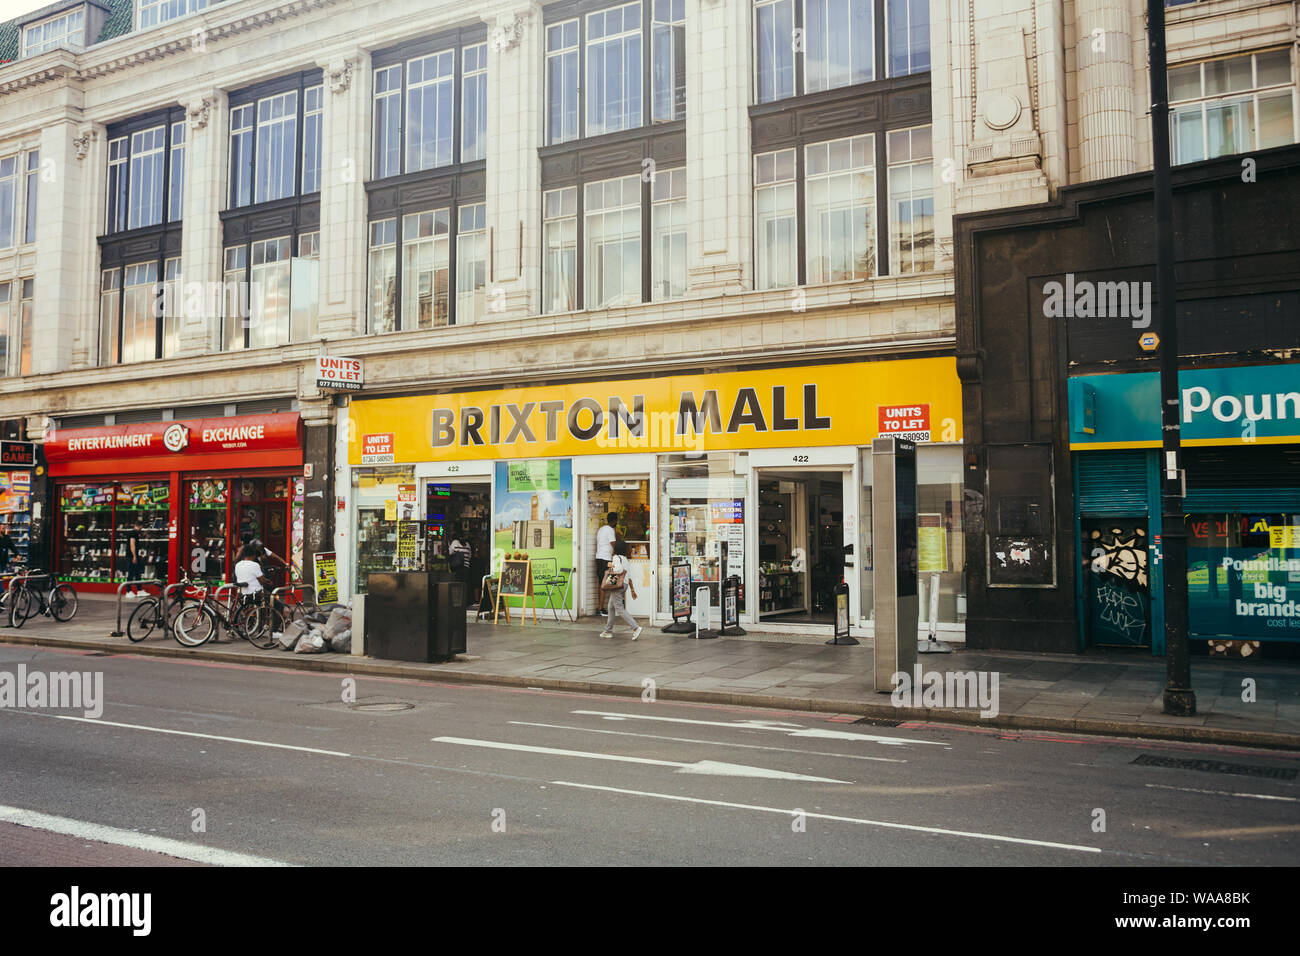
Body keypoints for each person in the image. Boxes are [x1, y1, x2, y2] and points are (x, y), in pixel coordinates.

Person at [599, 540, 642, 641]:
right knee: (611, 607)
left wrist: (611, 566)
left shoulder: (616, 558)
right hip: (625, 584)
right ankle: (607, 631)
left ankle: (635, 627)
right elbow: (629, 576)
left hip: (617, 585)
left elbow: (618, 570)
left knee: (619, 607)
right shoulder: (625, 559)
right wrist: (632, 590)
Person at [595, 511, 619, 620]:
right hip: (606, 559)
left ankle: (603, 607)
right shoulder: (610, 530)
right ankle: (601, 608)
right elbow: (615, 545)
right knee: (608, 584)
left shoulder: (602, 529)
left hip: (599, 557)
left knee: (603, 583)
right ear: (615, 521)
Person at [125, 517, 145, 598]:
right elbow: (132, 544)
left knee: (137, 573)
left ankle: (139, 590)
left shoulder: (135, 533)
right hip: (131, 556)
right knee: (131, 573)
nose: (142, 528)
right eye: (141, 527)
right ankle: (128, 591)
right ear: (139, 526)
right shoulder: (133, 533)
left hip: (134, 556)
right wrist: (134, 556)